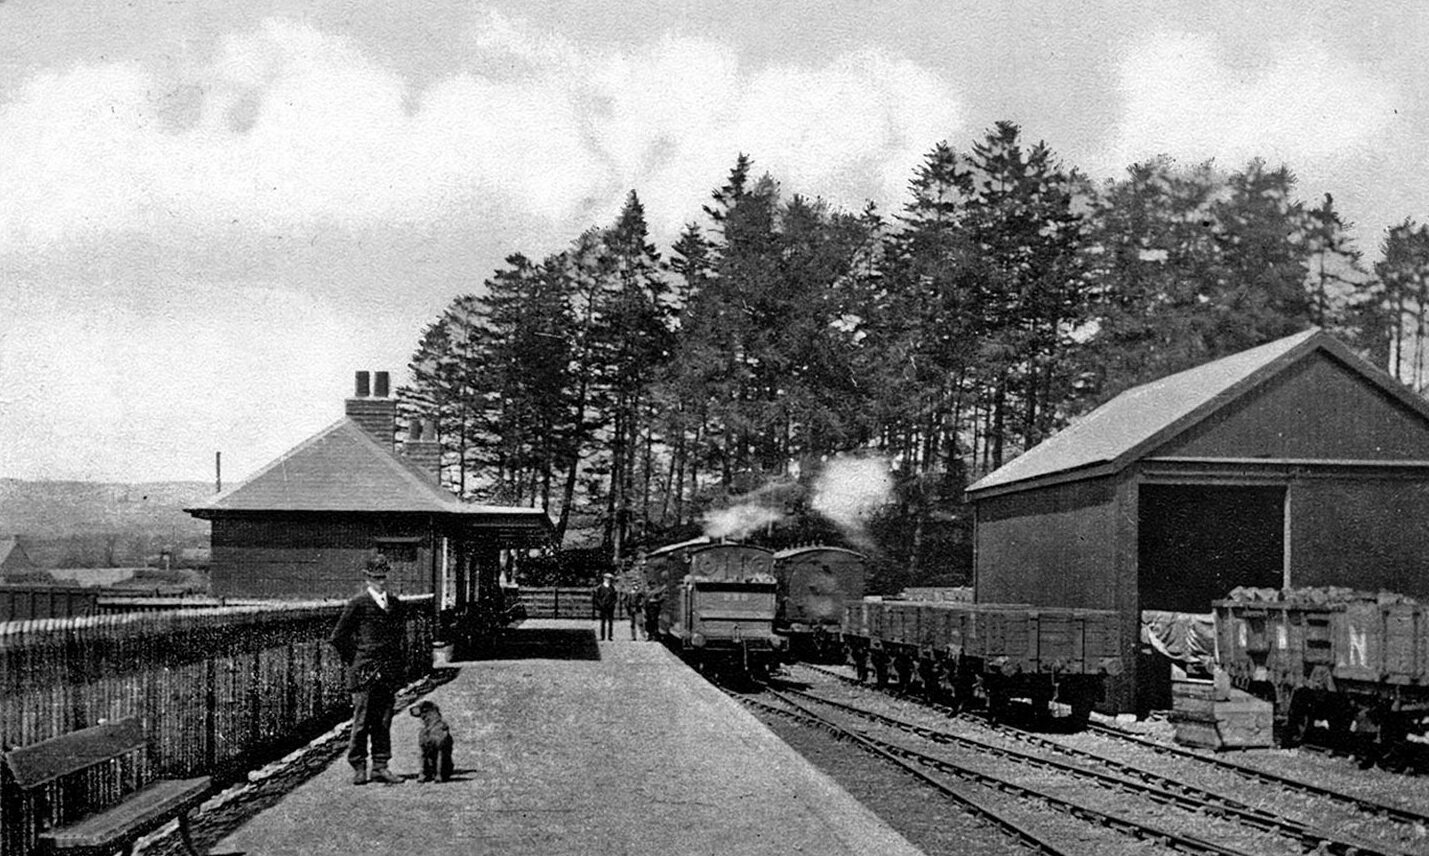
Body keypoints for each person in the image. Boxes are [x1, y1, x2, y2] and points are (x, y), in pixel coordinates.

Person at [329, 556, 406, 786]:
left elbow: (399, 638)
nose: (380, 582)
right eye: (375, 578)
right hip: (364, 671)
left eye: (383, 577)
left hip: (387, 671)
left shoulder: (395, 604)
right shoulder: (358, 604)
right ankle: (359, 765)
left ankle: (380, 766)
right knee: (361, 721)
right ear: (367, 579)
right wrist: (356, 660)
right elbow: (338, 637)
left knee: (383, 720)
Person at [593, 572, 618, 641]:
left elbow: (615, 598)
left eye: (610, 579)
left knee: (610, 622)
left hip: (610, 607)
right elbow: (597, 597)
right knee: (603, 622)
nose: (608, 580)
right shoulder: (600, 587)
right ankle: (603, 636)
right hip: (603, 607)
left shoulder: (612, 588)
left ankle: (610, 636)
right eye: (607, 579)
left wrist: (612, 604)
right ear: (604, 579)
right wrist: (600, 604)